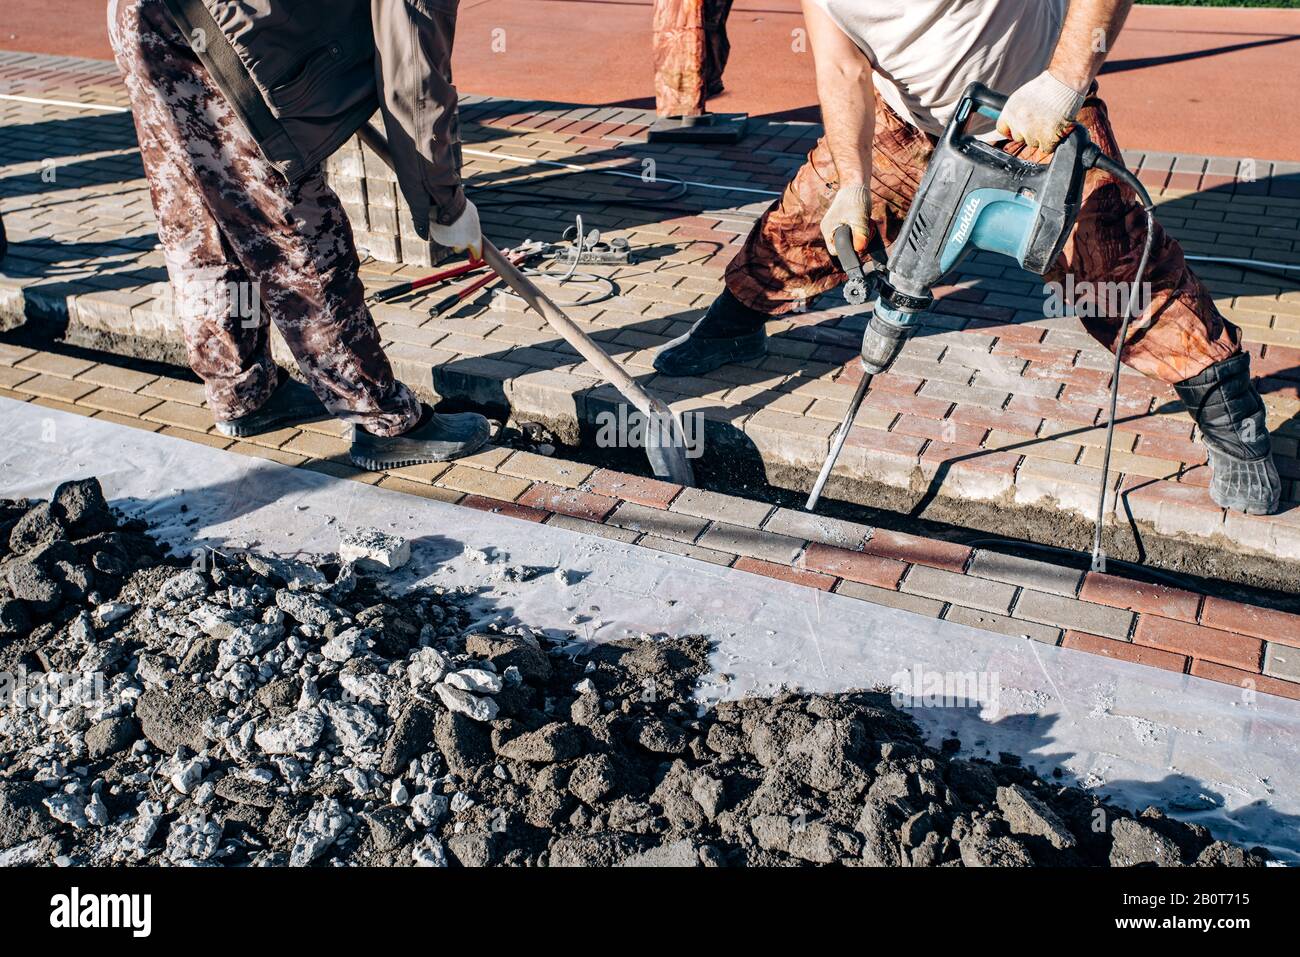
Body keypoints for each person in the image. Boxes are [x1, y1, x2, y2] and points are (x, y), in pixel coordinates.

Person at [653, 0, 1281, 516]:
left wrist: (1064, 83)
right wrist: (852, 180)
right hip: (907, 122)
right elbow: (842, 70)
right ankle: (736, 328)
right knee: (803, 223)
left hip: (1036, 115)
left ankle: (1231, 415)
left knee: (1115, 270)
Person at [108, 0, 489, 469]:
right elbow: (412, 73)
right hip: (213, 41)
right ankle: (383, 422)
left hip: (145, 19)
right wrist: (443, 203)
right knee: (301, 237)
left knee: (204, 222)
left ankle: (245, 391)